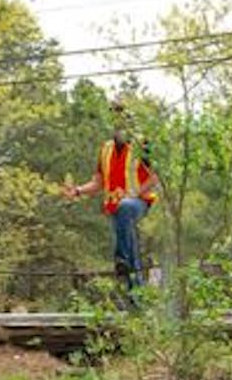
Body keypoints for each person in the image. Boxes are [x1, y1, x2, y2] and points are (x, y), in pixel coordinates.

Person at [62, 103, 160, 295]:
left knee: (125, 212)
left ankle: (121, 260)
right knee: (130, 243)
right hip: (115, 207)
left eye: (123, 121)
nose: (119, 126)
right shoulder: (106, 149)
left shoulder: (141, 145)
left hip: (139, 202)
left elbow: (155, 176)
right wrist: (78, 191)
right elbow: (98, 182)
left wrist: (137, 192)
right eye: (116, 123)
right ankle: (136, 292)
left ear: (130, 122)